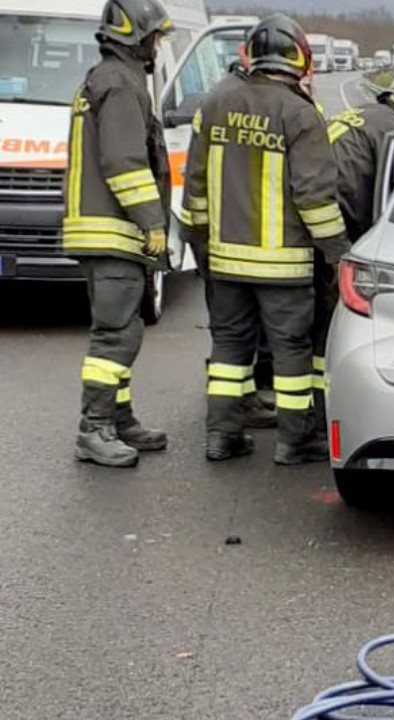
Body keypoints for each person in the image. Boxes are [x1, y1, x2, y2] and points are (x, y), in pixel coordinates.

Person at [181, 14, 350, 464]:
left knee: (228, 348)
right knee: (291, 351)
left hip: (224, 261)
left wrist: (199, 245)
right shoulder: (300, 114)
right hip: (283, 266)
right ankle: (295, 441)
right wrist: (339, 254)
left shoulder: (215, 103)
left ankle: (222, 436)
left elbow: (195, 187)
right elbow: (315, 200)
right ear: (299, 59)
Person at [62, 0, 174, 468]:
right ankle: (94, 429)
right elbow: (123, 161)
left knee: (121, 330)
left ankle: (119, 419)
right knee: (115, 336)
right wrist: (152, 221)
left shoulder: (106, 78)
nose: (158, 45)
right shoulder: (122, 84)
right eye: (155, 36)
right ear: (137, 35)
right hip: (113, 232)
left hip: (103, 231)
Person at [311, 71, 394, 412]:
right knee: (332, 323)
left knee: (309, 321)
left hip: (307, 223)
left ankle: (309, 403)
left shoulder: (360, 114)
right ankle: (324, 406)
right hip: (335, 231)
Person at [178, 37, 278, 430]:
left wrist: (197, 236)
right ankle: (235, 410)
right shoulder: (254, 101)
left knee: (231, 333)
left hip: (218, 240)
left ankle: (230, 414)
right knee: (239, 333)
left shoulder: (218, 99)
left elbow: (196, 177)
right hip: (248, 240)